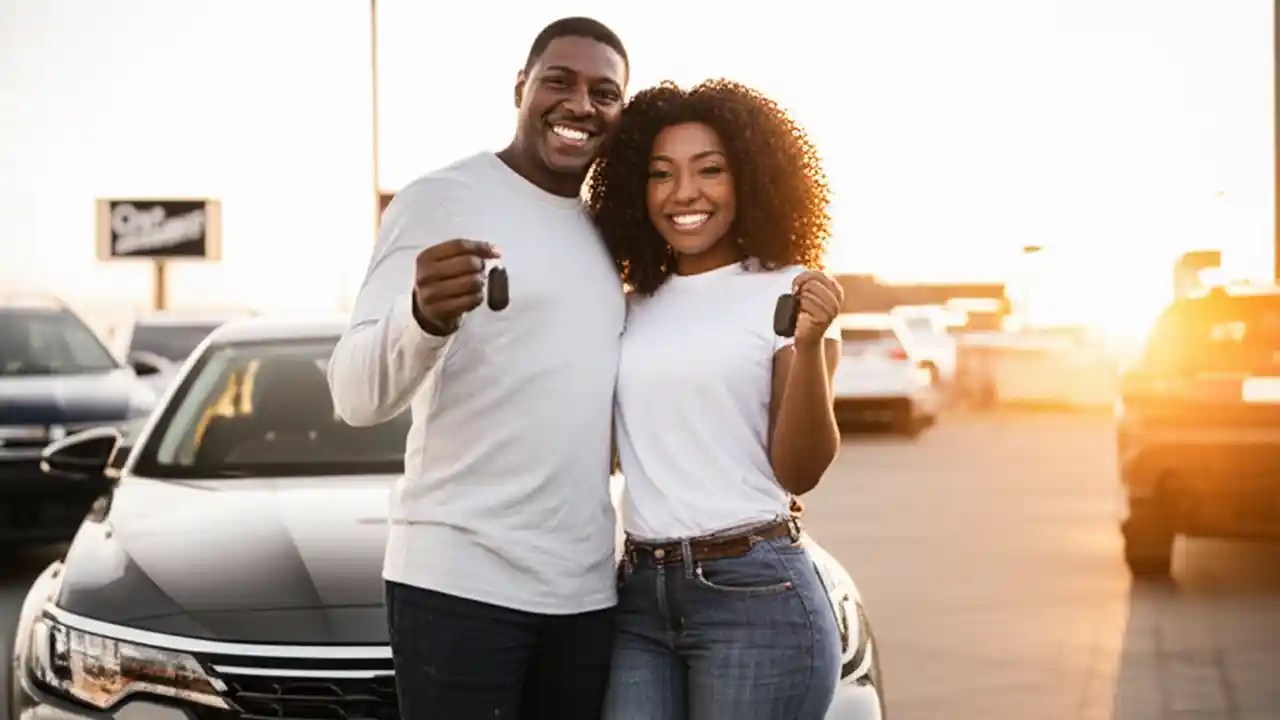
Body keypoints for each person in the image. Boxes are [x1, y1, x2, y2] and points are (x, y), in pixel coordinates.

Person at [326, 17, 629, 720]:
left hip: (584, 591)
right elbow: (353, 395)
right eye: (559, 80)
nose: (580, 104)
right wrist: (421, 316)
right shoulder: (439, 199)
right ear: (521, 88)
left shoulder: (612, 232)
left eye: (604, 92)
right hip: (458, 582)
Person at [586, 79, 847, 720]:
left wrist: (810, 347)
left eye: (711, 170)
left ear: (751, 180)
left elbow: (801, 470)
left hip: (755, 590)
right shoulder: (627, 305)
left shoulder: (788, 291)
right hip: (640, 594)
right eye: (661, 174)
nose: (685, 194)